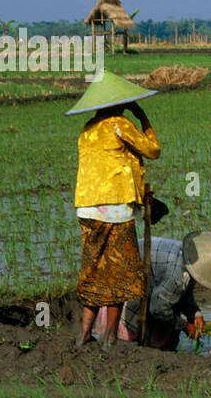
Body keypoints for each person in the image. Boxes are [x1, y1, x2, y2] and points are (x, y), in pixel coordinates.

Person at [69, 71, 162, 348]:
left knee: (93, 270)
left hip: (86, 209)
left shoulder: (87, 129)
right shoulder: (120, 124)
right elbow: (153, 149)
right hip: (115, 210)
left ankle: (84, 334)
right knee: (119, 273)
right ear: (120, 103)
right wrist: (142, 117)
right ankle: (109, 336)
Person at [117, 230, 211, 350]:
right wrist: (184, 326)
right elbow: (158, 308)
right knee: (132, 338)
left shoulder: (191, 258)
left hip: (153, 272)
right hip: (130, 270)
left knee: (168, 312)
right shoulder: (178, 276)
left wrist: (195, 313)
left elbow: (184, 293)